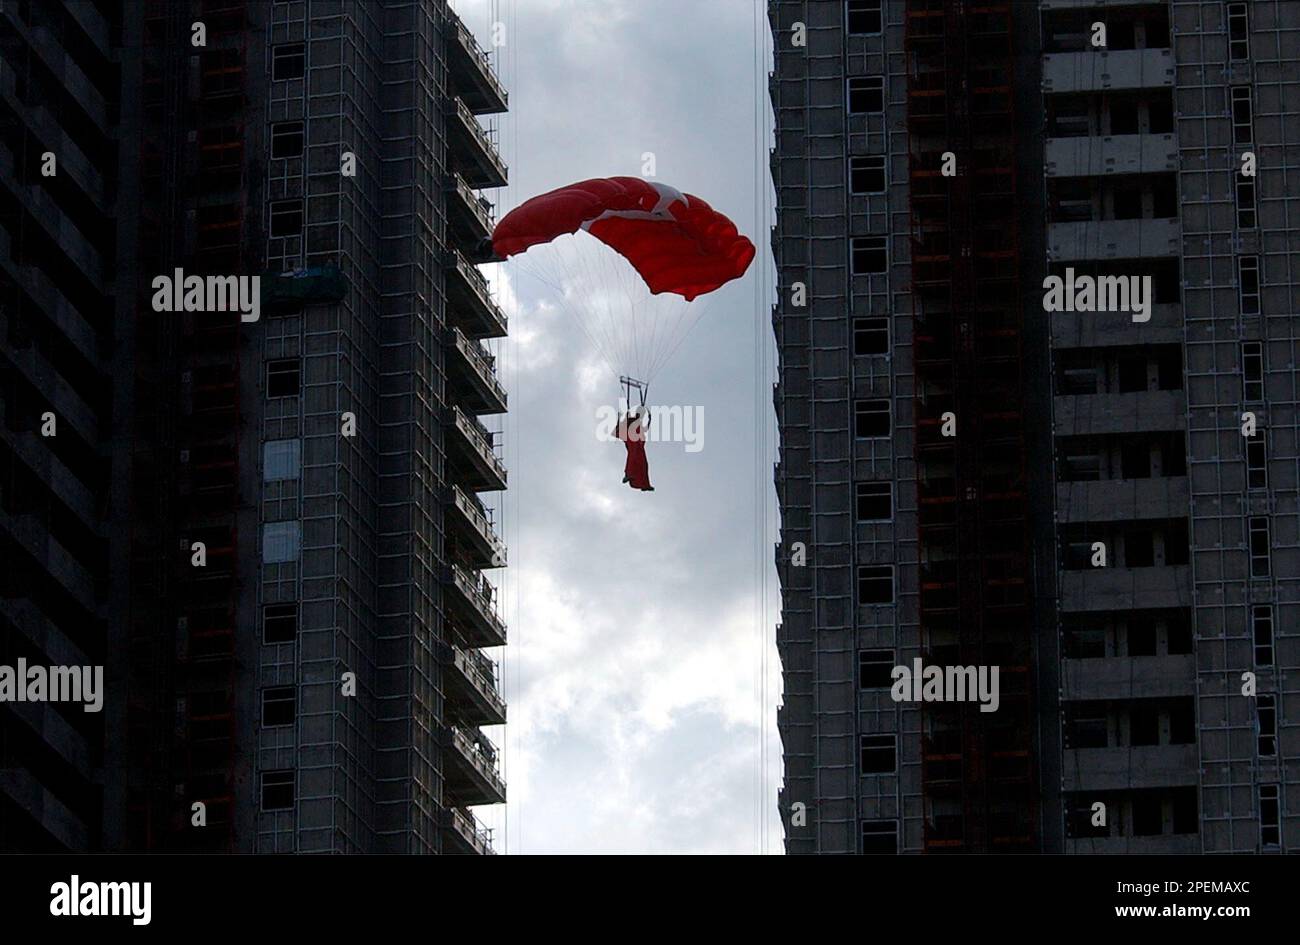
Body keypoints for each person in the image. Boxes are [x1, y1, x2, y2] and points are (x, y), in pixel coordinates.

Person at [614, 407, 654, 492]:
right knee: (634, 457)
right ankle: (629, 474)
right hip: (633, 443)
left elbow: (645, 428)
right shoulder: (629, 425)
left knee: (643, 464)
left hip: (638, 445)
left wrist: (649, 417)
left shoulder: (637, 425)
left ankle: (644, 484)